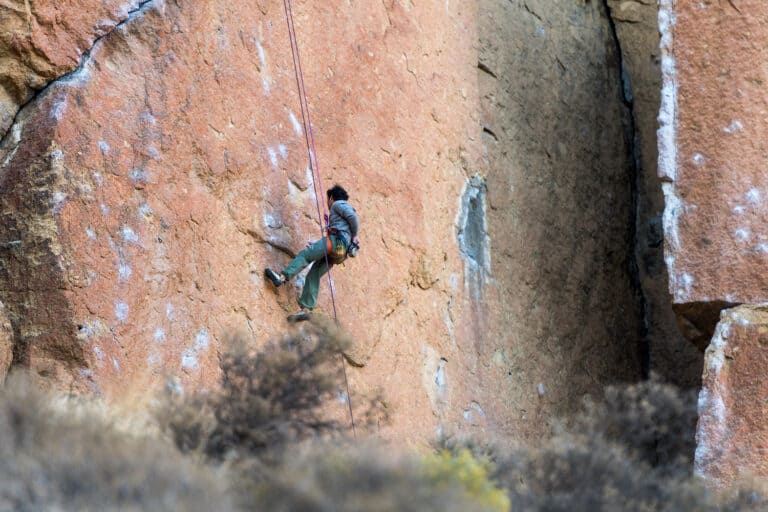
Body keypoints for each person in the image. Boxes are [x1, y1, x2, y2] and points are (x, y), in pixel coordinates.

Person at [265, 184, 359, 322]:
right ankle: (306, 309)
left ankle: (282, 277)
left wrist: (355, 235)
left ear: (331, 198)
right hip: (340, 253)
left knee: (305, 256)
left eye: (328, 200)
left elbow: (353, 217)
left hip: (335, 242)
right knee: (314, 274)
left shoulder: (337, 204)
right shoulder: (343, 218)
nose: (328, 203)